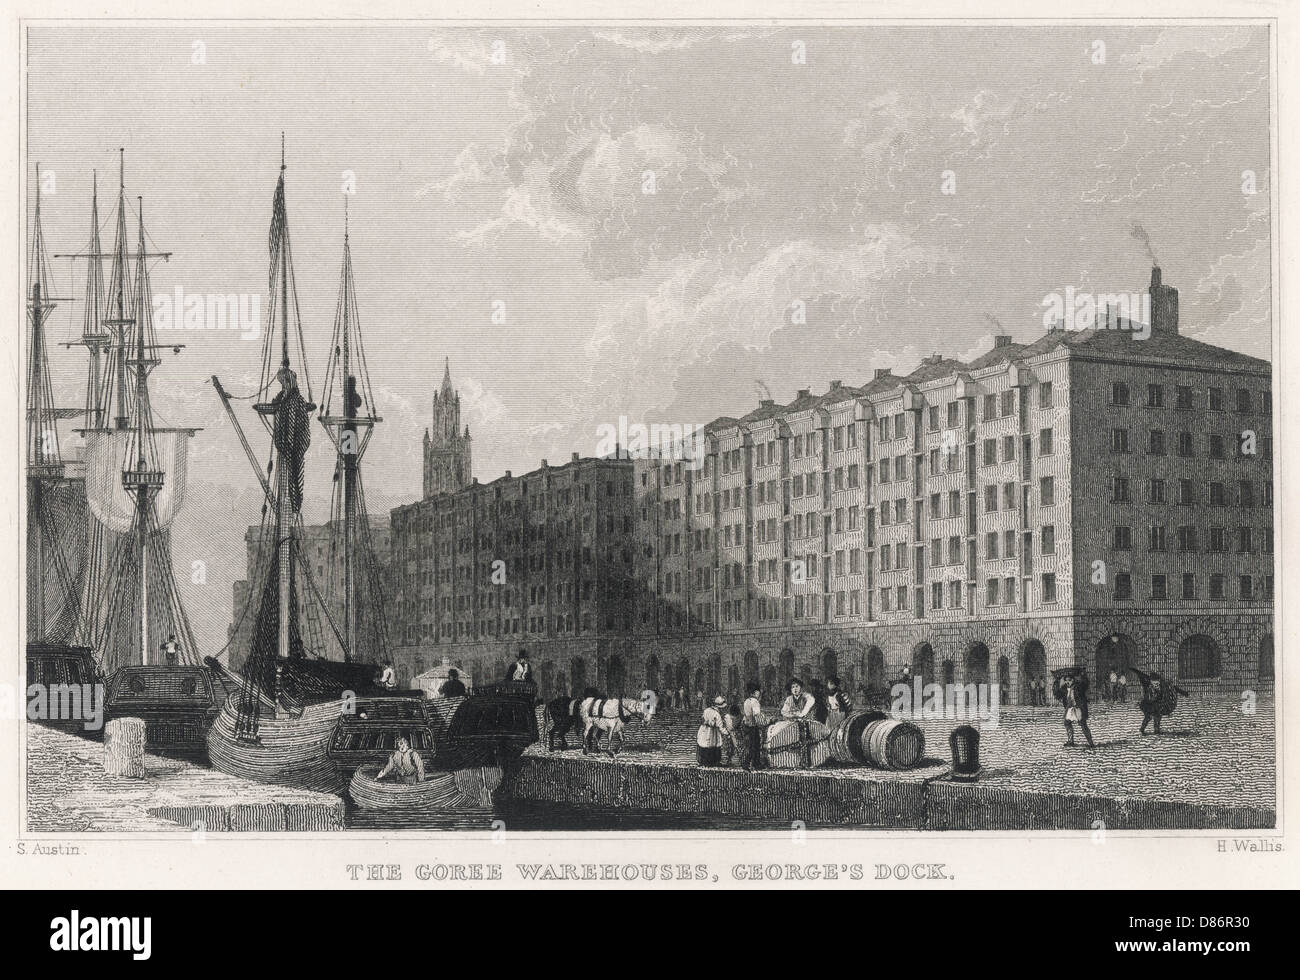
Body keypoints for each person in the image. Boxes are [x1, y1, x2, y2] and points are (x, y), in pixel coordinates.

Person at [1135, 669, 1189, 736]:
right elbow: (1148, 697)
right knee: (1148, 717)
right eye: (1154, 683)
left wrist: (1184, 693)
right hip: (1149, 705)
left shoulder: (1163, 687)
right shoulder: (1149, 688)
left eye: (1157, 683)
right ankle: (1142, 729)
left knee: (1157, 716)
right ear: (1151, 682)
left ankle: (1156, 730)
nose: (1156, 685)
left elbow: (1174, 688)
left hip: (1157, 705)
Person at [781, 678, 817, 769]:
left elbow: (807, 708)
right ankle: (797, 762)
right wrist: (793, 715)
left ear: (801, 687)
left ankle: (808, 763)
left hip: (807, 723)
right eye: (792, 687)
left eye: (797, 686)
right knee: (793, 741)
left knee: (806, 742)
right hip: (795, 724)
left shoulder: (807, 696)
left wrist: (800, 714)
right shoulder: (789, 699)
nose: (795, 689)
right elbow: (784, 711)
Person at [1053, 671, 1094, 748]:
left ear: (1073, 680)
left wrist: (1083, 676)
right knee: (1067, 723)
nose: (1068, 682)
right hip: (1070, 708)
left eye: (1070, 680)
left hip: (1078, 708)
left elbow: (1086, 685)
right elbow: (1057, 695)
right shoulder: (1064, 688)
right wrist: (1057, 681)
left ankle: (1090, 742)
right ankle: (1070, 741)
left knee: (1083, 724)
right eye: (1066, 680)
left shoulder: (1078, 687)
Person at [741, 682, 769, 770]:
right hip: (753, 726)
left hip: (746, 725)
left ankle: (752, 763)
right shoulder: (755, 701)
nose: (759, 693)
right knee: (755, 745)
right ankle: (752, 764)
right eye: (758, 691)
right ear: (754, 692)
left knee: (750, 745)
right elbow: (757, 715)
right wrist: (765, 722)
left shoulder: (747, 701)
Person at [696, 695, 727, 767]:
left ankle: (703, 762)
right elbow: (720, 727)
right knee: (713, 745)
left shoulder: (706, 710)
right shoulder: (717, 714)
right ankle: (713, 762)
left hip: (704, 730)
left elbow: (702, 719)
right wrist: (727, 733)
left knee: (704, 744)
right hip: (713, 732)